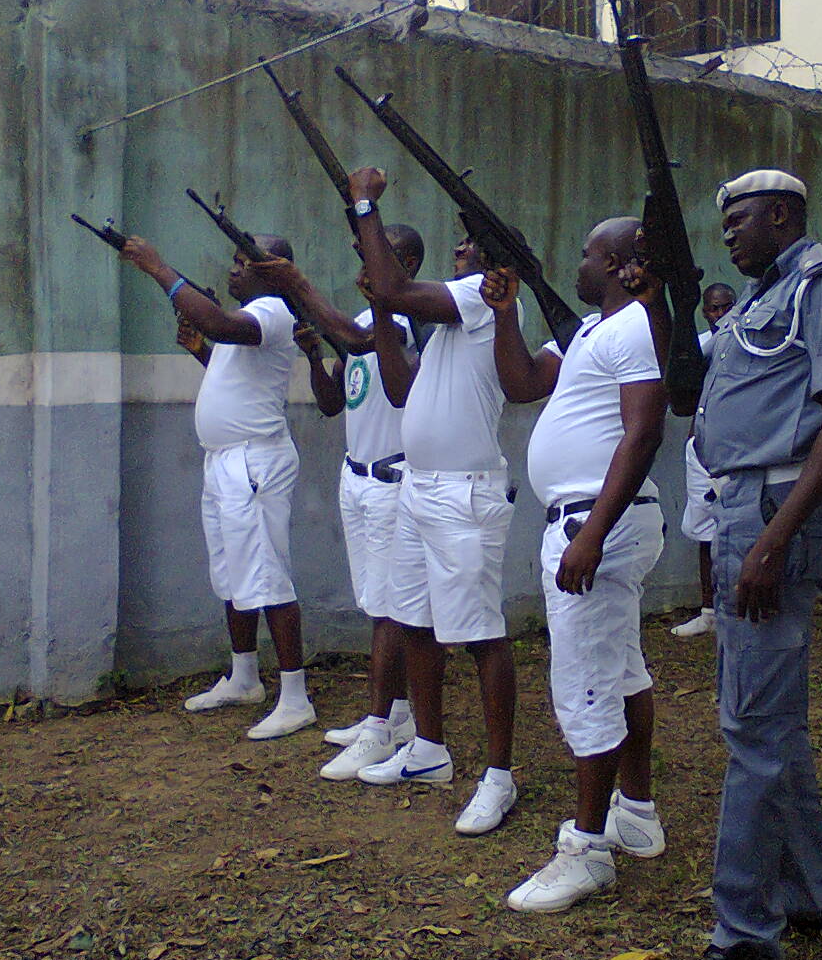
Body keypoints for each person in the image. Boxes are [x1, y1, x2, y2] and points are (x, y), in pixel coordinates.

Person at [664, 170, 822, 960]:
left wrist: (771, 542)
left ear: (783, 214)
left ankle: (745, 938)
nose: (730, 237)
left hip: (776, 506)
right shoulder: (759, 297)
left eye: (741, 221)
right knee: (767, 718)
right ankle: (812, 896)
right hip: (745, 503)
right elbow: (690, 391)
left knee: (751, 725)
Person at [481, 218, 669, 912]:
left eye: (587, 253)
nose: (577, 264)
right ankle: (636, 812)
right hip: (591, 519)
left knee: (585, 682)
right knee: (618, 669)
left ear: (617, 262)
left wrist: (592, 532)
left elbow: (644, 429)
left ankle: (587, 850)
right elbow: (523, 381)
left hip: (595, 520)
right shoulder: (594, 331)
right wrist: (505, 316)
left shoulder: (634, 329)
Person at [338, 167, 521, 836]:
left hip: (462, 493)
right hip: (420, 487)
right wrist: (385, 308)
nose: (459, 253)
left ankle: (498, 777)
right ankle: (430, 750)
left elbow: (391, 280)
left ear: (494, 260)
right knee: (414, 621)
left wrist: (364, 205)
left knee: (479, 636)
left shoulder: (480, 296)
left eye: (470, 246)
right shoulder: (449, 321)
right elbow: (396, 385)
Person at [116, 234, 315, 740]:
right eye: (234, 261)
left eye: (245, 263)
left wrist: (159, 267)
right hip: (226, 461)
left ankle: (296, 698)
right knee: (232, 572)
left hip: (255, 462)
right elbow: (234, 370)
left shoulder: (273, 310)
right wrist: (201, 351)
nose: (234, 270)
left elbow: (221, 322)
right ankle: (244, 677)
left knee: (268, 573)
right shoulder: (249, 317)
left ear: (272, 272)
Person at [272, 225, 427, 780]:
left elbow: (366, 348)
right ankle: (401, 715)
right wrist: (316, 357)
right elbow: (335, 402)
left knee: (389, 607)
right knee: (375, 603)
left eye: (373, 252)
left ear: (403, 262)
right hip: (355, 478)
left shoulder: (404, 320)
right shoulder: (360, 322)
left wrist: (301, 287)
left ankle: (378, 727)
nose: (361, 258)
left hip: (392, 480)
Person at [671, 282, 738, 639]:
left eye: (726, 307)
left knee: (742, 529)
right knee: (703, 531)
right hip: (700, 450)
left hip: (736, 451)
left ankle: (739, 609)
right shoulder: (699, 347)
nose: (719, 314)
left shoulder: (746, 344)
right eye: (713, 308)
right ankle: (709, 611)